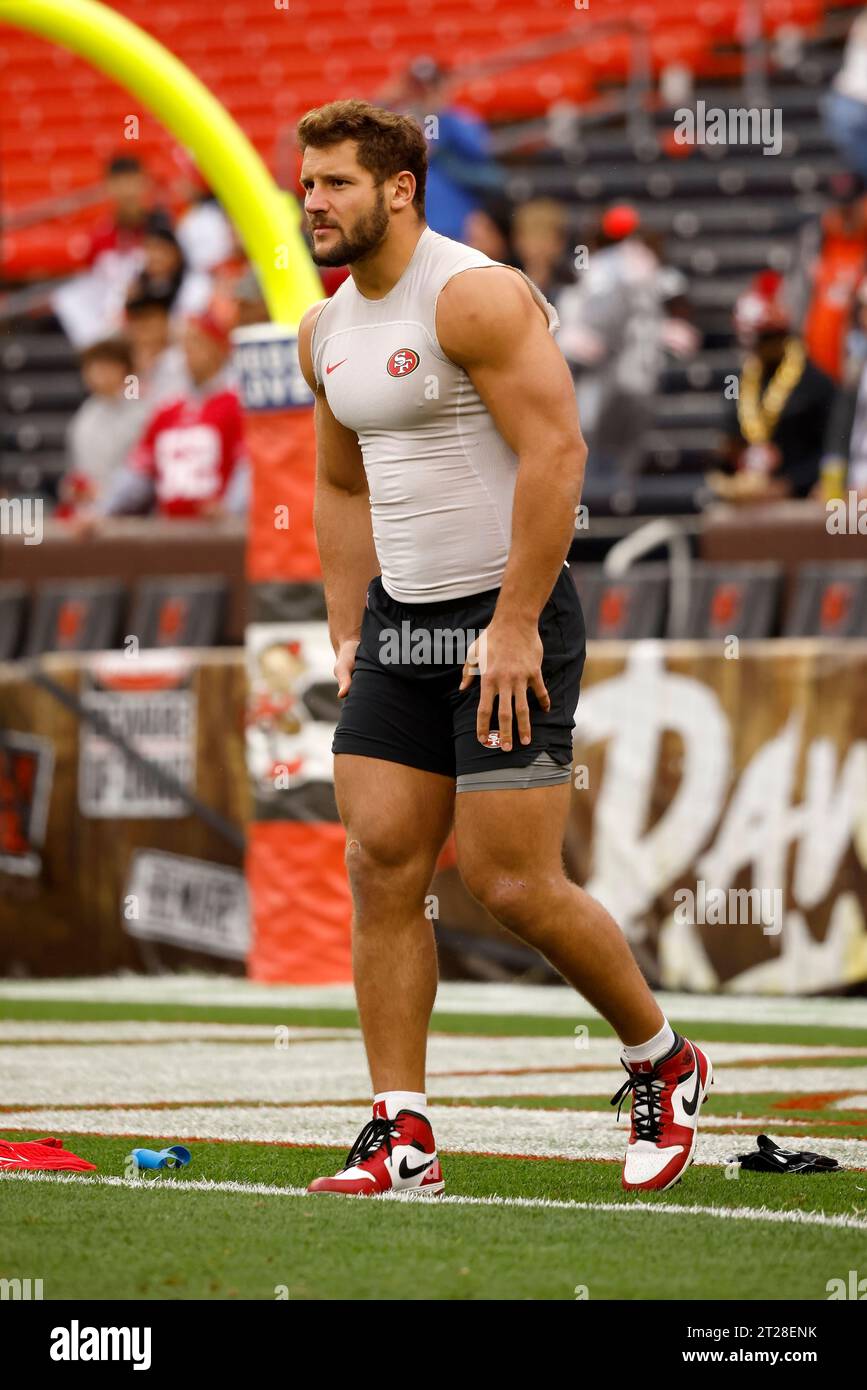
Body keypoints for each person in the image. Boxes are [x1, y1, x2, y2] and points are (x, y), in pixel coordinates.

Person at [294, 98, 713, 1198]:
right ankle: (403, 1127)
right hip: (400, 623)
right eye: (305, 183)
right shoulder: (324, 329)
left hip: (507, 617)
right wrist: (347, 625)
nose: (313, 202)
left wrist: (517, 621)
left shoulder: (470, 294)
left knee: (510, 881)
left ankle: (661, 1059)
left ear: (399, 189)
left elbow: (558, 449)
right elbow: (339, 483)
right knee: (381, 863)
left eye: (335, 182)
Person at [92, 312, 249, 520]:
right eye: (185, 344)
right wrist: (100, 512)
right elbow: (138, 472)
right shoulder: (168, 410)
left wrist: (232, 511)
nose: (188, 352)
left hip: (221, 535)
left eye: (196, 342)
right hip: (173, 532)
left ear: (218, 347)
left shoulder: (238, 405)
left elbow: (249, 468)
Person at [708, 271, 837, 504]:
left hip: (798, 498)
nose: (756, 347)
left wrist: (789, 484)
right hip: (749, 492)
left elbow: (829, 449)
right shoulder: (735, 379)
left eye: (763, 338)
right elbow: (730, 428)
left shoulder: (816, 382)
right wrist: (729, 456)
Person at [59, 338, 149, 514]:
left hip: (134, 516)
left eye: (103, 366)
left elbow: (142, 476)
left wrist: (106, 497)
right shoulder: (85, 415)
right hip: (90, 515)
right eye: (91, 367)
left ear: (123, 368)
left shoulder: (142, 412)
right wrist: (73, 490)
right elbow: (74, 471)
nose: (95, 374)